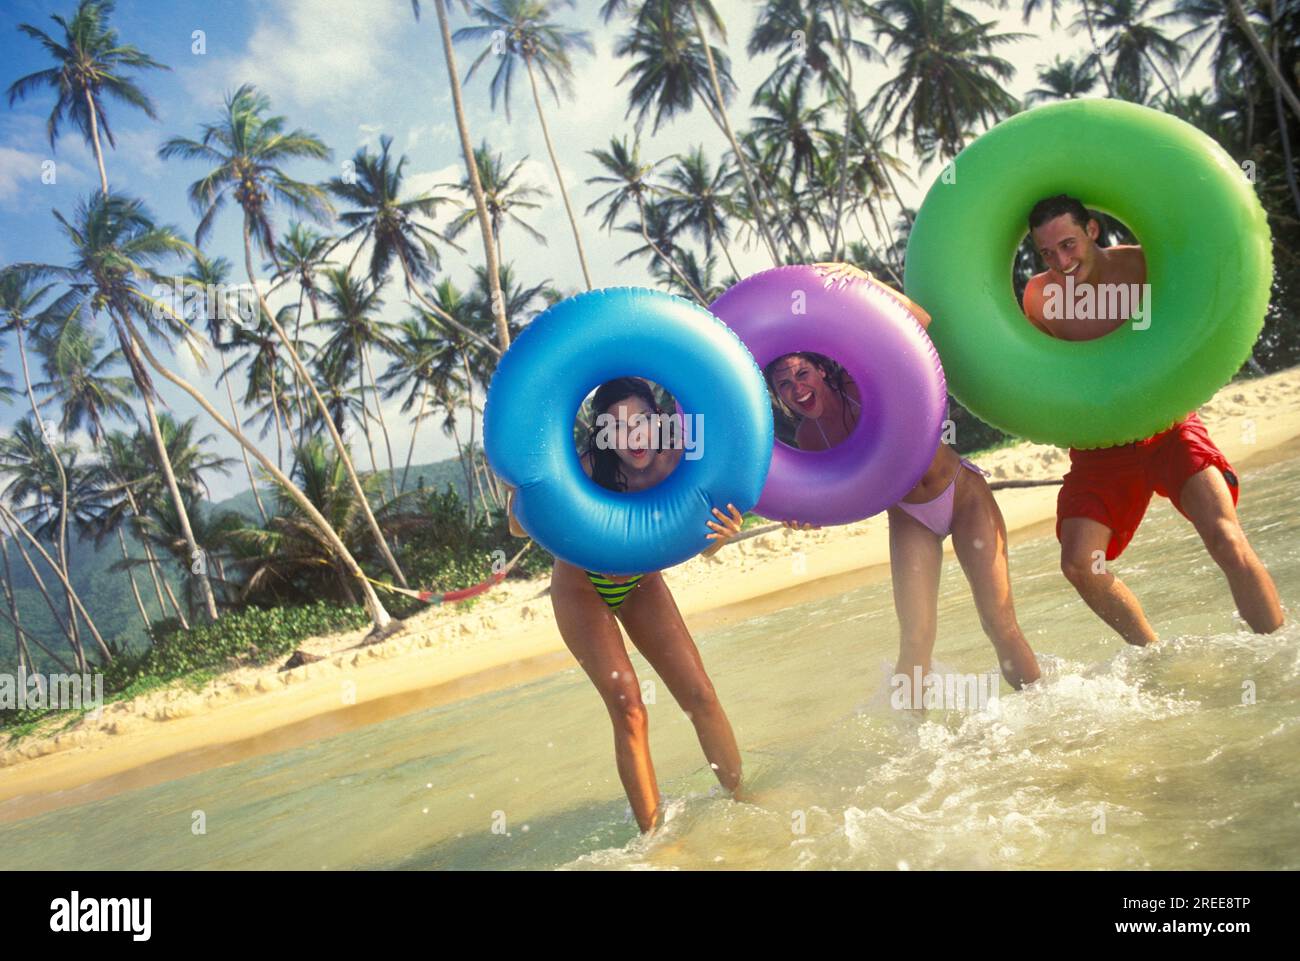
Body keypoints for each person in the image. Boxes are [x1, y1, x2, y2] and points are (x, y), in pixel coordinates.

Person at [1022, 194, 1283, 644]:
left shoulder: (1143, 266)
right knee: (1080, 564)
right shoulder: (1041, 298)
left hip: (1169, 428)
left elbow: (1194, 318)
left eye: (1067, 245)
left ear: (1092, 231)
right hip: (1101, 447)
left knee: (1225, 537)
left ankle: (1281, 655)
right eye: (1047, 253)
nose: (1060, 261)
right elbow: (1046, 376)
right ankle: (1155, 655)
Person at [770, 263, 1041, 693]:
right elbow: (831, 496)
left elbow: (921, 321)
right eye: (783, 384)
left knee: (999, 624)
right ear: (776, 396)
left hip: (961, 493)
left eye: (802, 373)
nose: (796, 388)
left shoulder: (859, 385)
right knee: (915, 641)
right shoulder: (808, 436)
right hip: (910, 514)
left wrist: (857, 275)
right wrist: (802, 515)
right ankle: (913, 752)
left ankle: (1044, 709)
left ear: (821, 371)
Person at [506, 376, 746, 832]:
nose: (631, 437)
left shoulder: (680, 465)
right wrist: (516, 485)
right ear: (601, 435)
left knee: (700, 694)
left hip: (640, 582)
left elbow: (700, 543)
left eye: (641, 422)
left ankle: (741, 800)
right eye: (615, 428)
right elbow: (520, 528)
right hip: (582, 587)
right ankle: (655, 841)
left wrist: (722, 538)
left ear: (660, 422)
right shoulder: (588, 468)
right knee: (630, 706)